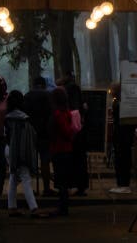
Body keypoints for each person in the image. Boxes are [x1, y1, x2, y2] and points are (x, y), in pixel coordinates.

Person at [4, 90, 48, 218]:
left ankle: (12, 207)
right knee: (25, 178)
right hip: (20, 150)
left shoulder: (7, 117)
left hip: (8, 149)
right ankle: (33, 208)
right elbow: (28, 138)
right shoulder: (23, 119)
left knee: (13, 177)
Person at [23, 76, 54, 196]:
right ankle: (46, 188)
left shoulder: (27, 96)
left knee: (31, 160)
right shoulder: (48, 96)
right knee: (45, 160)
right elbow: (51, 113)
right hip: (45, 133)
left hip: (30, 132)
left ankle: (32, 189)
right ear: (44, 85)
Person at [59, 71, 89, 196]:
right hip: (79, 130)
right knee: (80, 159)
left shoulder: (66, 90)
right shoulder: (75, 89)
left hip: (70, 130)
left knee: (71, 159)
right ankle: (81, 186)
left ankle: (71, 185)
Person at [49, 86, 75, 216]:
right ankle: (63, 206)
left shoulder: (58, 114)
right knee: (63, 179)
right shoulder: (66, 112)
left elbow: (65, 131)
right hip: (65, 149)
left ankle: (63, 207)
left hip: (59, 149)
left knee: (61, 180)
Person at [108, 82, 135, 194]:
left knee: (122, 159)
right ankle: (121, 184)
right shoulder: (121, 102)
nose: (110, 92)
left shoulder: (120, 104)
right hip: (123, 135)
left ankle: (123, 184)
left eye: (112, 90)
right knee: (122, 159)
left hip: (122, 136)